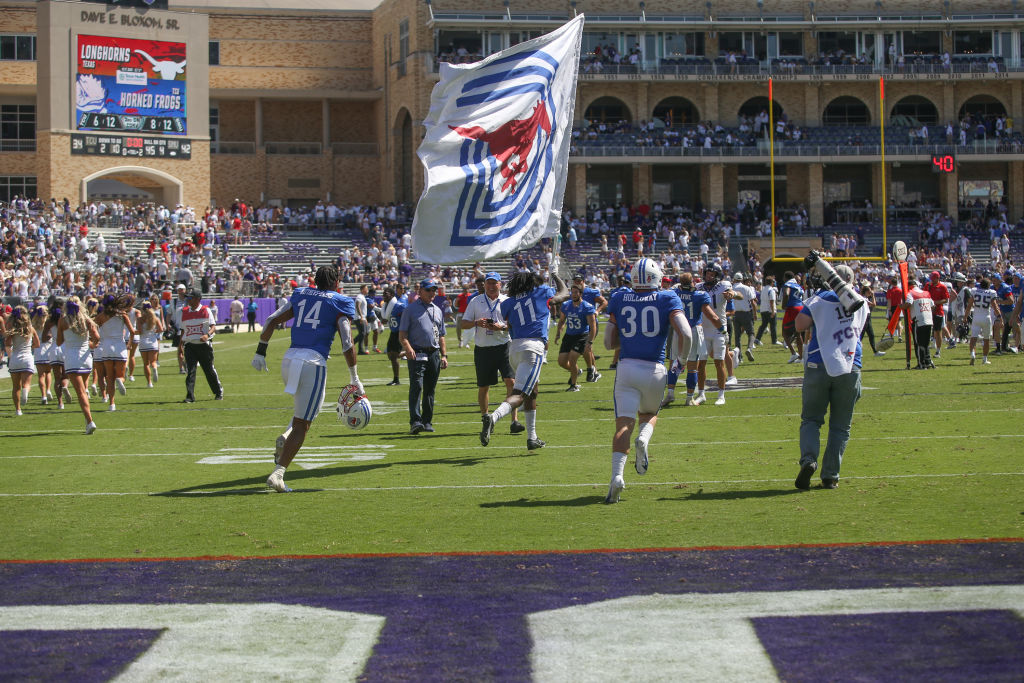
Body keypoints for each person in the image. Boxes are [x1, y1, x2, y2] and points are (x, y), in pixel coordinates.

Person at [251, 265, 363, 493]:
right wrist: (354, 377)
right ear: (336, 282)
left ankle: (285, 435)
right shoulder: (340, 301)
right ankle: (278, 473)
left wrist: (260, 350)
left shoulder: (301, 293)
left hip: (289, 359)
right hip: (312, 362)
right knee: (304, 424)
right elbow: (347, 342)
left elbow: (272, 319)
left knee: (305, 412)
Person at [602, 258, 692, 503]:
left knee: (623, 425)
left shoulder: (620, 298)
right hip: (655, 368)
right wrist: (681, 361)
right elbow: (686, 333)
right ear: (657, 278)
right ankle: (644, 438)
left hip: (627, 368)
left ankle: (617, 477)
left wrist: (631, 339)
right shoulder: (667, 298)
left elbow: (608, 343)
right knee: (650, 414)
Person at [794, 264, 869, 490]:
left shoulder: (821, 298)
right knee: (840, 427)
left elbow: (799, 324)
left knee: (811, 420)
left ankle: (809, 460)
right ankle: (830, 475)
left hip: (820, 362)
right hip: (850, 364)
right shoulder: (862, 301)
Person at [480, 271, 570, 450]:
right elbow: (564, 293)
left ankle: (532, 438)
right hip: (533, 347)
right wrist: (556, 275)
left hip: (514, 348)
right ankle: (494, 417)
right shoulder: (541, 291)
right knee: (520, 394)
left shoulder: (508, 302)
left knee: (532, 392)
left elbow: (510, 325)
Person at [461, 272, 523, 434]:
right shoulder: (476, 301)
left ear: (500, 285)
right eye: (488, 282)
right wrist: (476, 323)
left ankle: (514, 420)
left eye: (494, 283)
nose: (490, 285)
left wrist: (500, 327)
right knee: (483, 386)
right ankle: (485, 419)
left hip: (504, 346)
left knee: (511, 382)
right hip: (483, 348)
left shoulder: (507, 301)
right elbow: (463, 324)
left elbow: (516, 324)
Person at [399, 279, 448, 434]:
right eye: (428, 290)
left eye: (434, 290)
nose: (432, 293)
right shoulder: (410, 310)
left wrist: (444, 355)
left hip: (434, 353)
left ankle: (427, 421)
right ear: (420, 291)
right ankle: (415, 421)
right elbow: (402, 335)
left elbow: (441, 336)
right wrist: (408, 348)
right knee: (417, 386)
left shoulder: (437, 310)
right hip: (417, 352)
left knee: (430, 388)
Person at [699, 263, 740, 405]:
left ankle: (721, 395)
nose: (708, 276)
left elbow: (738, 295)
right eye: (707, 273)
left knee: (718, 362)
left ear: (717, 276)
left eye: (712, 274)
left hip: (719, 329)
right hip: (703, 330)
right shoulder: (698, 287)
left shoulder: (724, 285)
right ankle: (701, 394)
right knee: (701, 363)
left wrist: (733, 294)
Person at [58, 296, 100, 434]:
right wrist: (91, 344)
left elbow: (58, 342)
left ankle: (89, 421)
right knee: (83, 389)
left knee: (80, 392)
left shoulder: (63, 321)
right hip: (86, 358)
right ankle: (88, 420)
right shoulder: (86, 320)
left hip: (71, 359)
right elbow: (97, 337)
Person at [94, 293, 136, 412]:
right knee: (121, 375)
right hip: (119, 346)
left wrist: (95, 340)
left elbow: (92, 327)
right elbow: (132, 331)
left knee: (109, 378)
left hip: (106, 347)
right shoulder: (122, 315)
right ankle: (120, 380)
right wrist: (129, 344)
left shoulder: (101, 316)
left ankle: (112, 404)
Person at [180, 289, 223, 402]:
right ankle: (190, 396)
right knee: (191, 371)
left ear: (198, 299)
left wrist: (207, 335)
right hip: (190, 345)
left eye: (191, 298)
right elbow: (183, 331)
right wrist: (180, 345)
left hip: (204, 345)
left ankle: (218, 392)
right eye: (188, 298)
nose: (188, 300)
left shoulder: (206, 310)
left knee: (209, 370)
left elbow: (213, 326)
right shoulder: (184, 311)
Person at [554, 283, 598, 392]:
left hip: (581, 336)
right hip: (569, 335)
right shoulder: (566, 305)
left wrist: (590, 341)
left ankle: (574, 385)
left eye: (575, 292)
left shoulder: (587, 307)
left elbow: (593, 326)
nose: (573, 294)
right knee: (562, 362)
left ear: (580, 294)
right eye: (572, 292)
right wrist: (558, 333)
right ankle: (577, 371)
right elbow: (562, 320)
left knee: (572, 359)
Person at [572, 273, 606, 382]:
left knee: (587, 348)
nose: (577, 283)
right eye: (575, 281)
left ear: (583, 281)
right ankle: (594, 371)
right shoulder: (573, 293)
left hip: (591, 325)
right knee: (587, 350)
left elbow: (604, 302)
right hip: (580, 326)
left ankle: (593, 372)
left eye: (579, 281)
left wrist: (597, 311)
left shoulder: (591, 292)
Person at [6, 305, 39, 416]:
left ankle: (18, 410)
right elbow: (37, 344)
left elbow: (7, 344)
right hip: (27, 358)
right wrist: (29, 347)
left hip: (15, 359)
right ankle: (26, 391)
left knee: (16, 387)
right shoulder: (30, 328)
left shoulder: (12, 329)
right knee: (26, 384)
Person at [903, 276, 935, 369]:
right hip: (929, 320)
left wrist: (902, 306)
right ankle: (928, 361)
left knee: (919, 343)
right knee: (926, 343)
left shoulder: (911, 293)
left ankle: (921, 363)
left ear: (909, 286)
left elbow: (908, 303)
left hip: (918, 320)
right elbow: (932, 306)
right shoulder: (926, 293)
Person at [965, 277, 998, 366]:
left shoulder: (975, 291)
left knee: (973, 338)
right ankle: (984, 359)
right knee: (986, 339)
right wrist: (999, 316)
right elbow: (994, 305)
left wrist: (965, 317)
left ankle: (972, 354)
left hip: (976, 316)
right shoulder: (991, 293)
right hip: (986, 317)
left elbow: (969, 305)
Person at [382, 283, 408, 386]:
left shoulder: (399, 306)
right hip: (393, 332)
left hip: (399, 332)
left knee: (395, 356)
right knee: (390, 355)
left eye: (386, 294)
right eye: (383, 294)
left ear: (392, 295)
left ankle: (396, 379)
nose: (384, 296)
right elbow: (386, 319)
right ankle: (395, 379)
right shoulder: (387, 306)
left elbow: (407, 315)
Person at [731, 272, 757, 362]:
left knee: (737, 336)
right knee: (751, 333)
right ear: (742, 279)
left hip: (735, 314)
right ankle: (749, 348)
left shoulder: (731, 288)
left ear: (734, 279)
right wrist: (755, 313)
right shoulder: (747, 288)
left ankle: (739, 357)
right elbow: (753, 302)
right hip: (746, 313)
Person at [137, 301, 164, 387]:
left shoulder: (140, 319)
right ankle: (155, 368)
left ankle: (149, 383)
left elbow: (140, 331)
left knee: (146, 364)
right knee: (153, 361)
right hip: (153, 342)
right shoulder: (155, 318)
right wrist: (154, 331)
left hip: (143, 342)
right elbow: (161, 329)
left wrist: (133, 332)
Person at [923, 271, 950, 358]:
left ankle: (938, 351)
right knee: (926, 330)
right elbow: (923, 295)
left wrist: (936, 303)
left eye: (933, 278)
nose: (932, 280)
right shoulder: (928, 285)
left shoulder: (942, 287)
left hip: (938, 311)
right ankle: (926, 349)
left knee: (938, 331)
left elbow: (946, 299)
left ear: (938, 278)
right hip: (927, 311)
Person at [781, 271, 805, 362]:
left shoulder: (788, 284)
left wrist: (784, 305)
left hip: (792, 308)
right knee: (798, 333)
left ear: (786, 277)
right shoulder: (798, 285)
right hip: (800, 307)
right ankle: (801, 357)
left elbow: (786, 294)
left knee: (784, 332)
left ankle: (794, 353)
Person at [755, 275, 779, 346]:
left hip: (763, 310)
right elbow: (771, 301)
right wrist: (773, 311)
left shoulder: (763, 290)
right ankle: (774, 340)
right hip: (769, 310)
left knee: (763, 325)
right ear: (771, 282)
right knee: (773, 326)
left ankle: (757, 338)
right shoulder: (771, 290)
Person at [354, 284, 369, 354]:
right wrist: (361, 317)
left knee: (362, 333)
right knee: (362, 333)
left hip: (361, 317)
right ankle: (351, 344)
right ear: (363, 289)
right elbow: (357, 305)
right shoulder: (360, 296)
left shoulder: (362, 297)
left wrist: (364, 317)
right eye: (366, 288)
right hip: (359, 318)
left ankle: (360, 350)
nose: (367, 290)